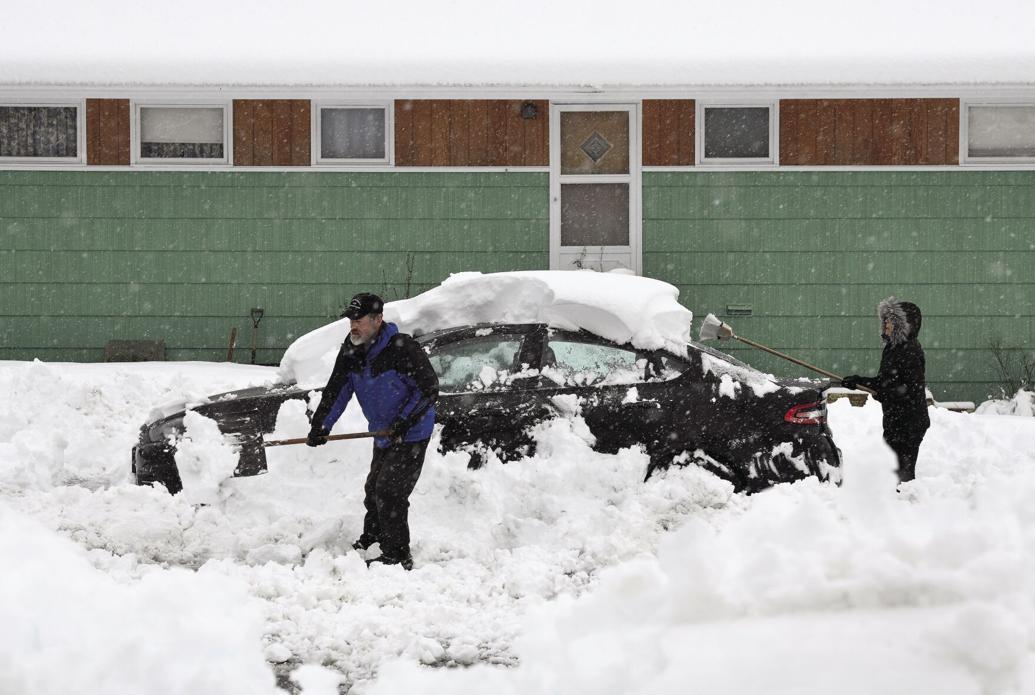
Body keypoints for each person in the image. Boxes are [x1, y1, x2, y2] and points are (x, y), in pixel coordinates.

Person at [307, 293, 438, 570]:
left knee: (390, 491)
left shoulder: (402, 348)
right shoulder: (352, 350)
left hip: (411, 432)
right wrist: (321, 425)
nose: (353, 326)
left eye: (359, 320)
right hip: (382, 431)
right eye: (351, 320)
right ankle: (374, 538)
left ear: (378, 320)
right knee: (373, 489)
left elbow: (428, 389)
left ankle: (398, 554)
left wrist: (404, 422)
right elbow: (338, 389)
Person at [841, 297, 930, 485]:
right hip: (895, 420)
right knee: (890, 468)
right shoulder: (892, 348)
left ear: (901, 324)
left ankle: (906, 506)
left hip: (909, 422)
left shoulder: (910, 350)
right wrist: (858, 381)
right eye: (885, 320)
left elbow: (911, 390)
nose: (885, 325)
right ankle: (894, 502)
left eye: (889, 321)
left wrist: (887, 393)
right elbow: (885, 382)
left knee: (902, 472)